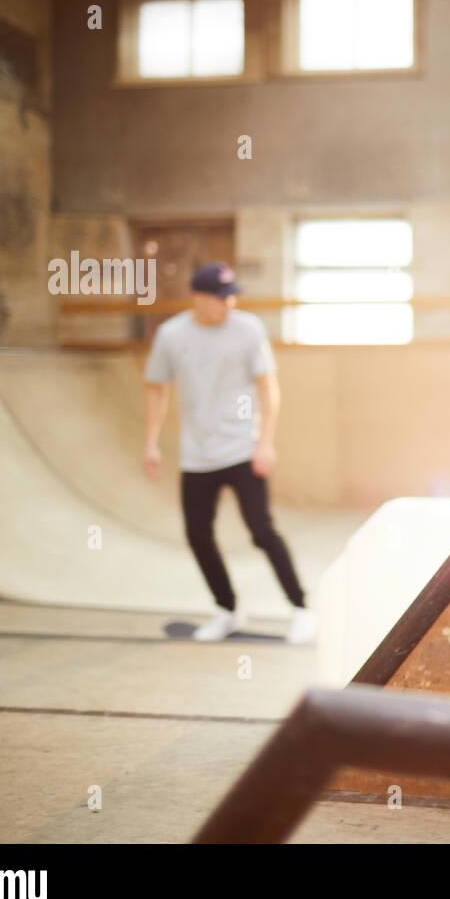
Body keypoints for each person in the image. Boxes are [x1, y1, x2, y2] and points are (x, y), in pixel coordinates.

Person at [142, 261, 314, 644]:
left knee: (261, 530)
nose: (229, 304)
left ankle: (301, 608)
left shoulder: (247, 329)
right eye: (220, 298)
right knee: (198, 534)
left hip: (242, 449)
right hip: (196, 455)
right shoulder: (172, 335)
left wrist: (265, 441)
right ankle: (227, 609)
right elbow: (156, 387)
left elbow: (269, 388)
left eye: (232, 296)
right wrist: (151, 442)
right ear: (198, 298)